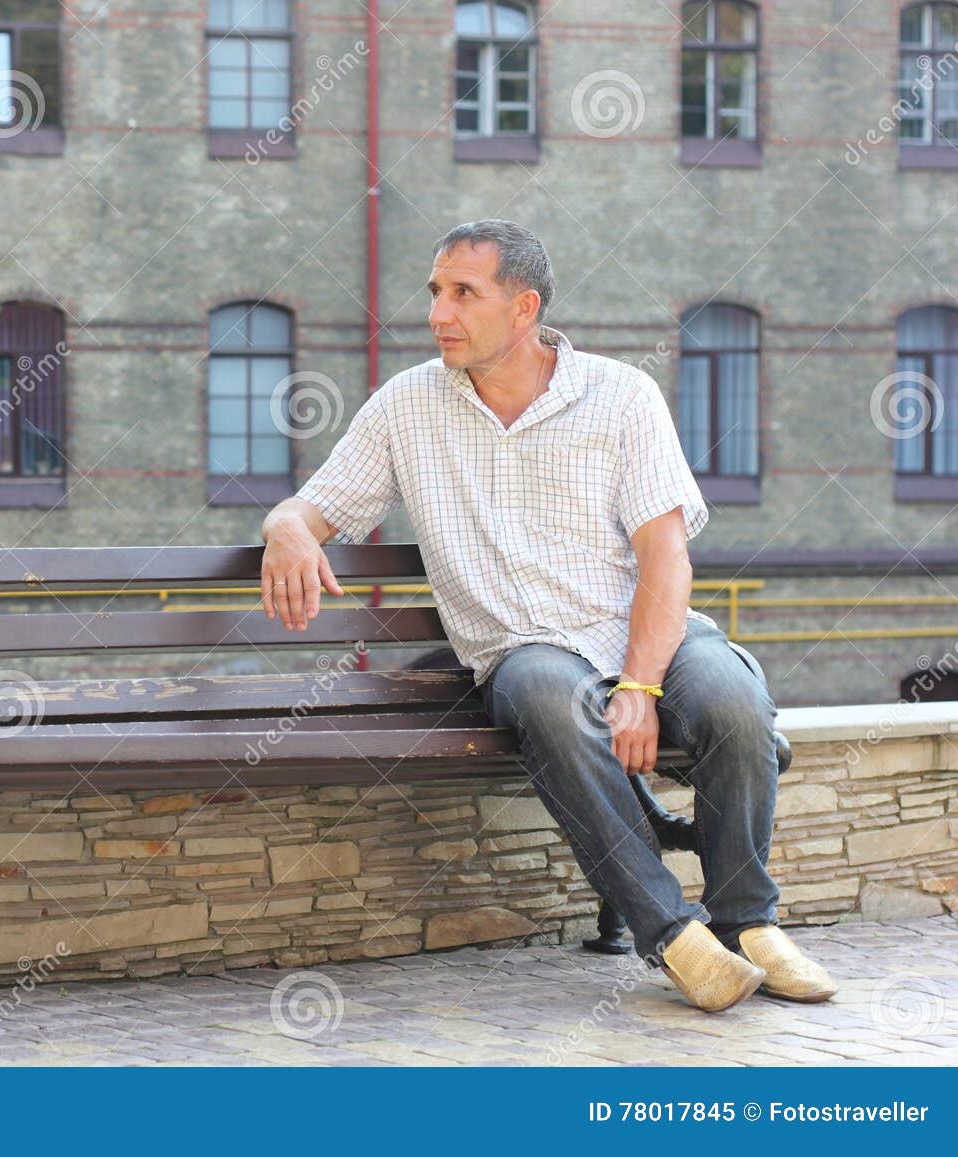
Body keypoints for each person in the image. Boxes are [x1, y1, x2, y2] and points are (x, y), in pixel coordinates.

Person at [258, 219, 835, 1012]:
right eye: (435, 291)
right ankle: (674, 936)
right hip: (526, 650)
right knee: (546, 696)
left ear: (523, 307)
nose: (437, 313)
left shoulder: (621, 395)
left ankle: (749, 923)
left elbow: (666, 558)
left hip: (644, 633)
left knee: (735, 699)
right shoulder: (407, 407)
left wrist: (640, 685)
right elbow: (312, 505)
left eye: (464, 293)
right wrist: (287, 528)